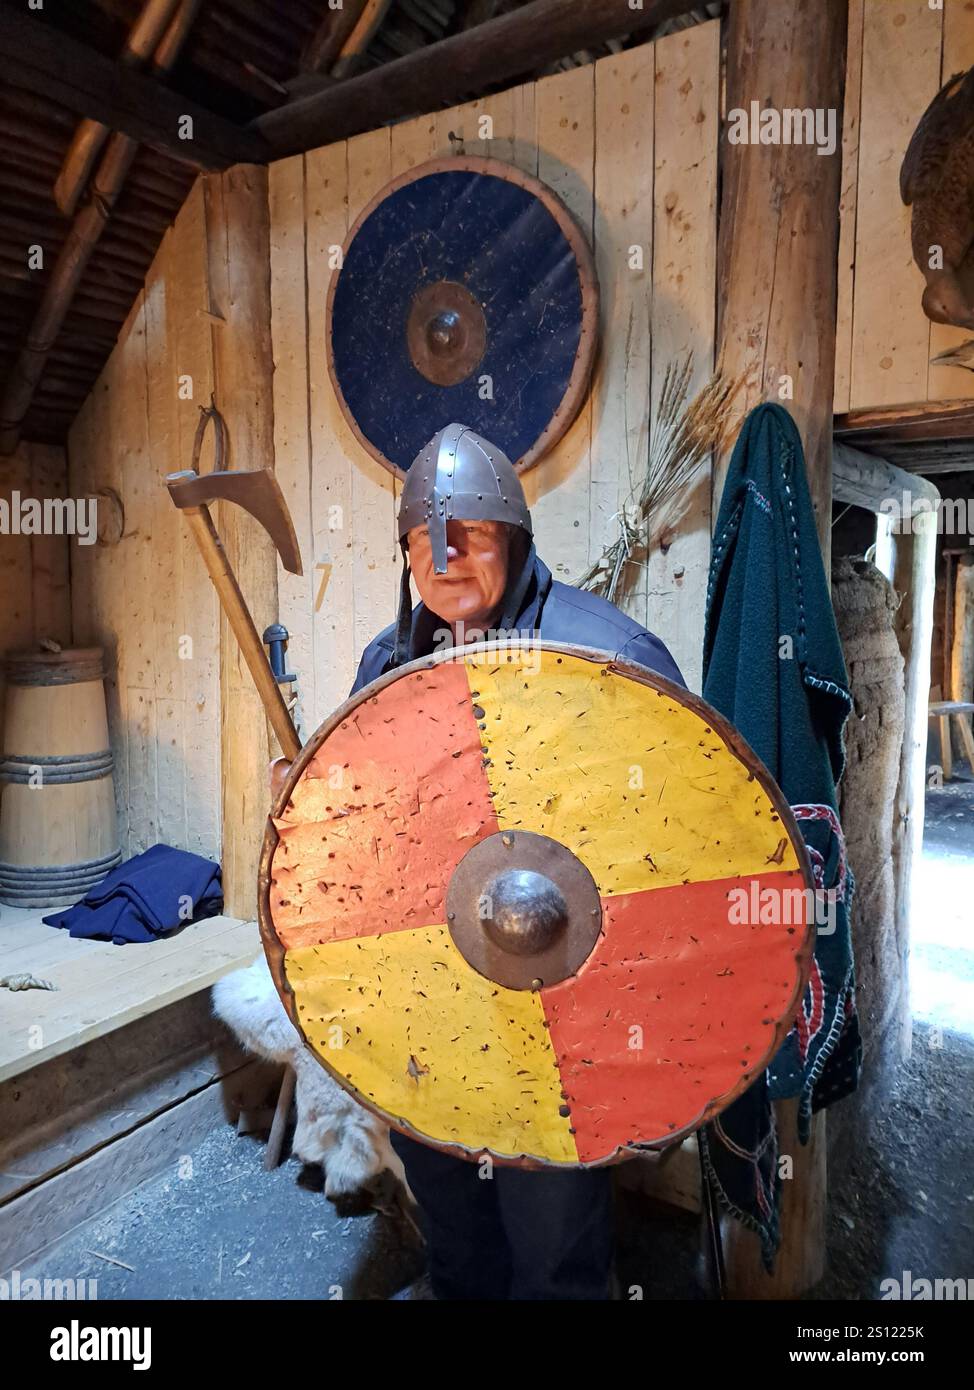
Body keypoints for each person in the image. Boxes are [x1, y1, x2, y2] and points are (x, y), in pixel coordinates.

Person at [272, 422, 685, 1300]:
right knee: (450, 1200)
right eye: (424, 536)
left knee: (554, 1230)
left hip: (562, 992)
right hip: (434, 987)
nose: (445, 554)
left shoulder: (608, 657)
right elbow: (370, 834)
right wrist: (309, 802)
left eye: (472, 532)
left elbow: (679, 841)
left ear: (518, 539)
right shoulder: (388, 664)